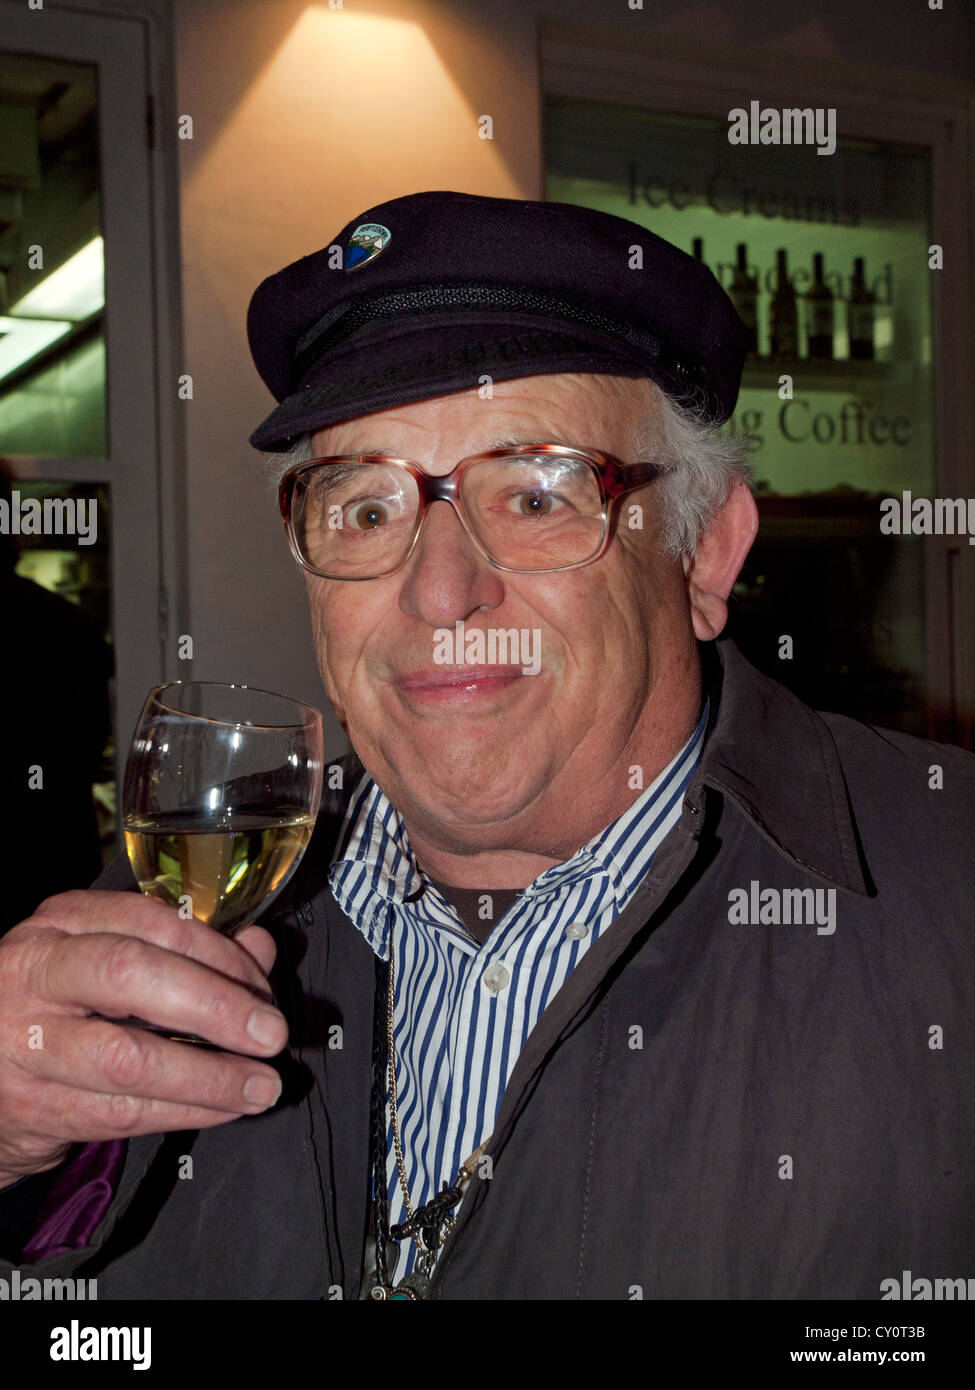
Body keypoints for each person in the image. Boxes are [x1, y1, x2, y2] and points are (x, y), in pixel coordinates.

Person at [0, 192, 972, 1300]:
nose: (440, 591)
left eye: (534, 496)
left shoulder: (948, 898)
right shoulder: (191, 891)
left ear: (703, 552)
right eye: (367, 509)